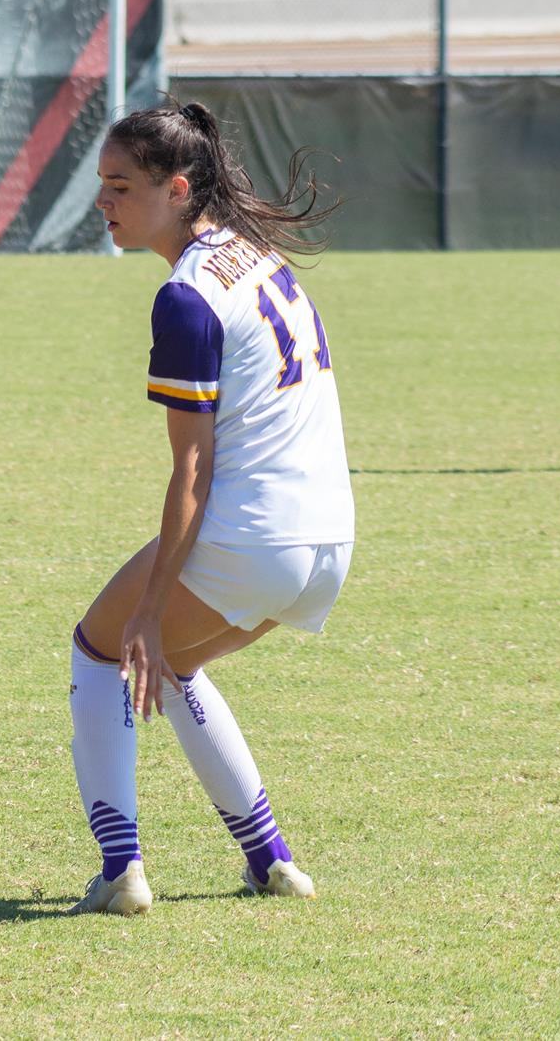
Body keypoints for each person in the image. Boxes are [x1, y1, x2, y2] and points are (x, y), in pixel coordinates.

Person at [65, 101, 350, 916]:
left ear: (179, 188)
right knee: (175, 665)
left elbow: (192, 469)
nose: (104, 202)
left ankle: (120, 871)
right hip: (328, 542)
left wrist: (148, 612)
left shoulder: (186, 298)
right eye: (102, 185)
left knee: (101, 650)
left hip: (255, 537)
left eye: (120, 186)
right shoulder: (256, 256)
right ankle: (272, 861)